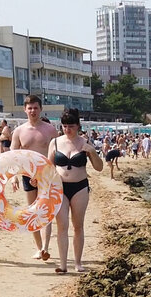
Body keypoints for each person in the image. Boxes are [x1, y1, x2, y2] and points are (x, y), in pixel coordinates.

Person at [46, 108, 103, 273]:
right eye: (64, 126)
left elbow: (99, 168)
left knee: (78, 226)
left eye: (70, 126)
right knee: (61, 225)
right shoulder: (55, 143)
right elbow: (48, 167)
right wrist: (41, 181)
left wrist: (92, 152)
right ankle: (63, 264)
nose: (67, 129)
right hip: (60, 187)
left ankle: (78, 263)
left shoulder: (84, 144)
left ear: (78, 126)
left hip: (79, 187)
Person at [10, 94, 58, 261]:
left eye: (35, 108)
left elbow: (57, 152)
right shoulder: (19, 131)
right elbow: (13, 155)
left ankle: (45, 247)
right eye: (29, 108)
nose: (32, 111)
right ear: (25, 110)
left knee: (46, 211)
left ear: (40, 109)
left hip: (46, 175)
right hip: (27, 175)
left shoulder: (50, 130)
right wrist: (14, 177)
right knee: (33, 211)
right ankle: (39, 248)